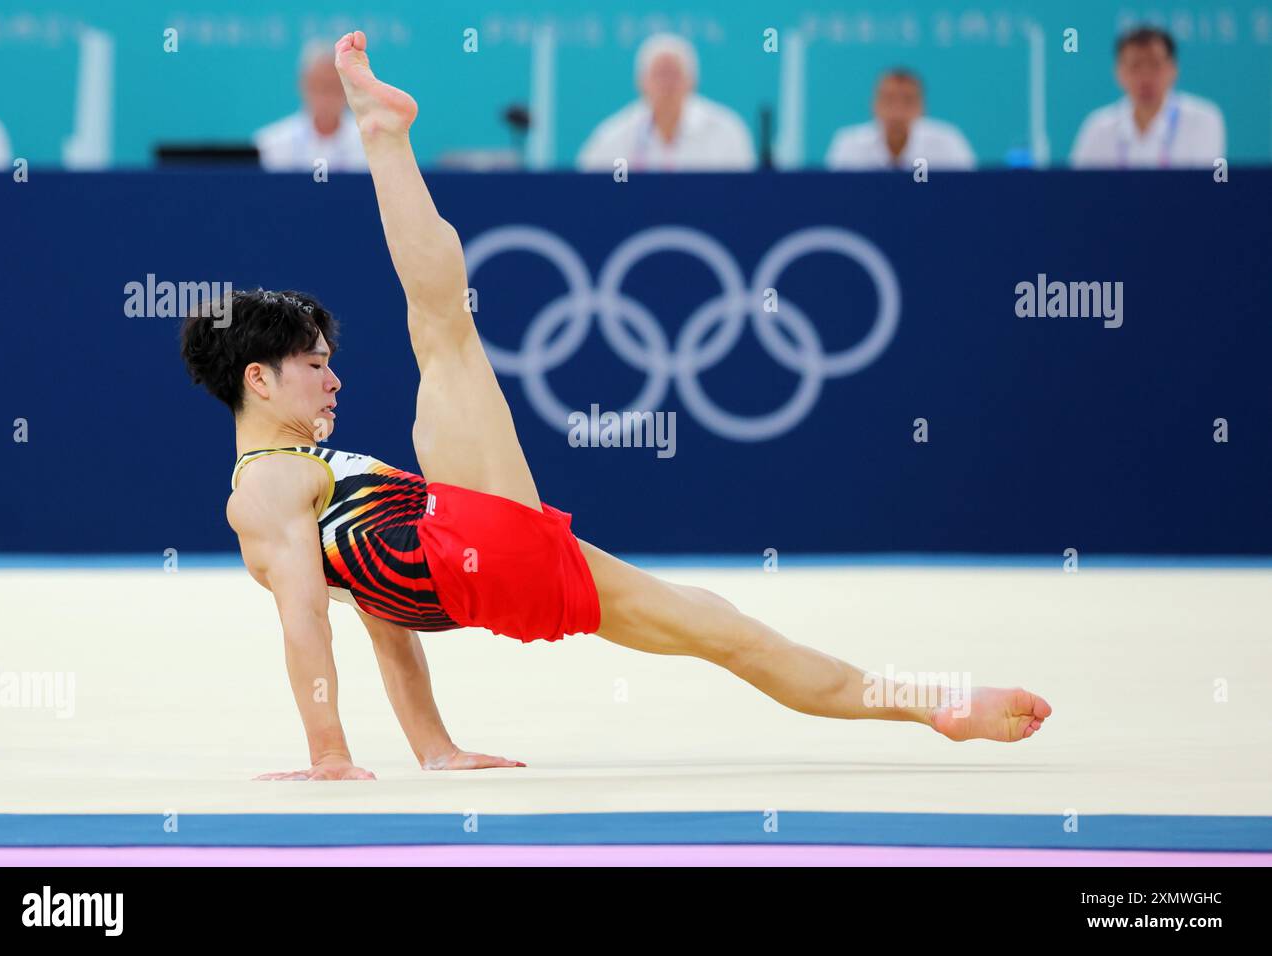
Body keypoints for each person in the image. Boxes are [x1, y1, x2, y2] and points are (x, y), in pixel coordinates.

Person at [181, 31, 1051, 780]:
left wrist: (435, 748)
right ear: (258, 379)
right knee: (442, 327)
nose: (334, 381)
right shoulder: (263, 487)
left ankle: (938, 702)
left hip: (510, 568)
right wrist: (328, 751)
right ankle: (383, 136)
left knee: (733, 632)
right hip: (477, 550)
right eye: (313, 366)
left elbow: (383, 622)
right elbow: (306, 622)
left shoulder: (317, 476)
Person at [576, 33, 755, 172]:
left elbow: (744, 194)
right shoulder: (614, 137)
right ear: (641, 82)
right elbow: (590, 193)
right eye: (660, 74)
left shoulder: (726, 132)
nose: (667, 83)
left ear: (692, 81)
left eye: (674, 74)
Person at [1070, 27, 1225, 169]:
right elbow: (1079, 189)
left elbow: (1204, 189)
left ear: (1173, 69)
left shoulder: (1203, 120)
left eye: (1155, 64)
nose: (1145, 76)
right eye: (1135, 65)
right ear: (1119, 72)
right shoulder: (1098, 128)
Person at [253, 39, 368, 172]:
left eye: (335, 86)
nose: (327, 95)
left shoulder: (369, 144)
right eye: (320, 85)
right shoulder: (270, 146)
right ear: (304, 85)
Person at [825, 69, 975, 171]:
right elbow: (835, 196)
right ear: (874, 105)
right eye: (889, 100)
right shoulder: (848, 143)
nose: (897, 110)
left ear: (922, 107)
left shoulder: (947, 141)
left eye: (908, 101)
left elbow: (968, 191)